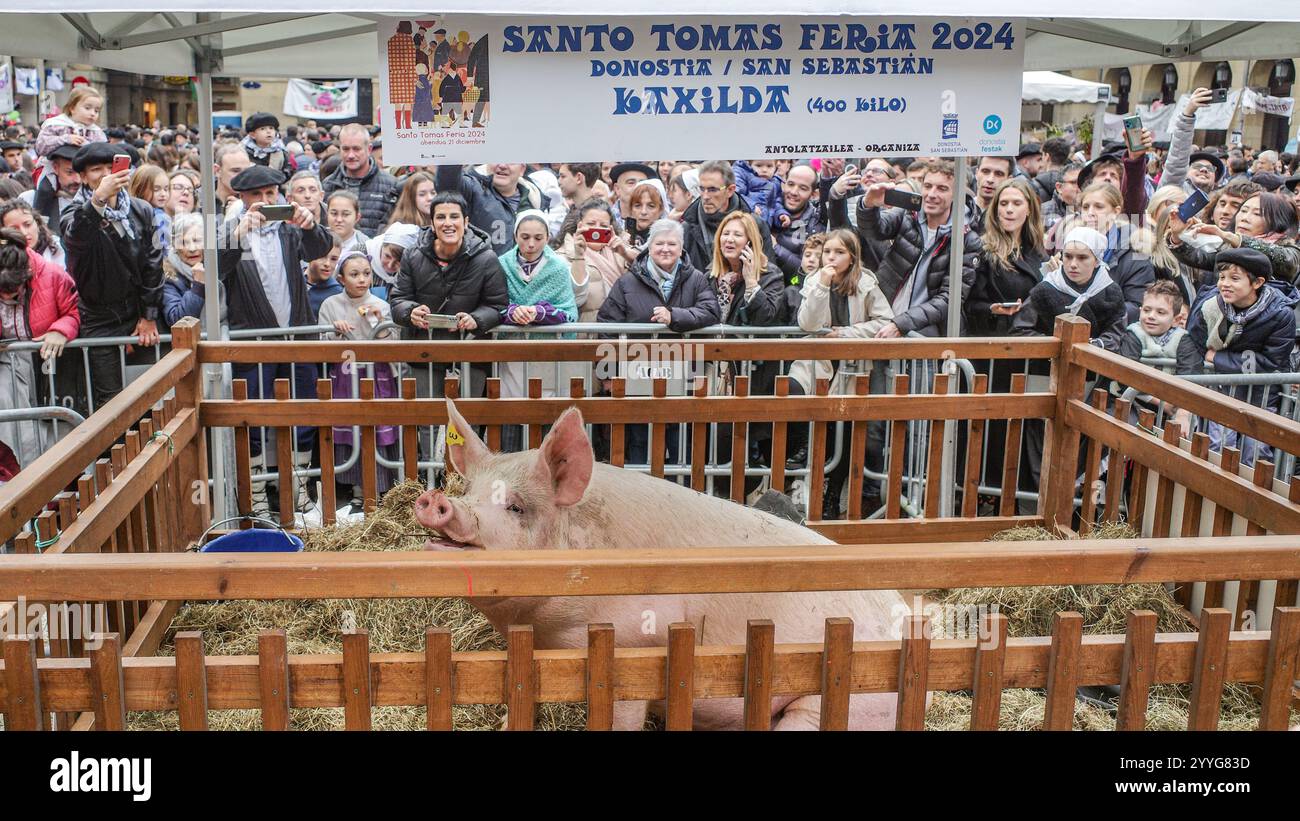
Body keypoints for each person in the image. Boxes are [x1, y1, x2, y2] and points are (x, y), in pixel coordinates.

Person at [218, 164, 333, 517]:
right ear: (241, 198)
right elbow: (217, 266)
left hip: (296, 337)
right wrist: (239, 231)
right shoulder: (227, 230)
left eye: (271, 194)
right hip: (253, 343)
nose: (266, 202)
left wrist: (311, 223)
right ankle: (256, 501)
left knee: (302, 414)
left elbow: (321, 248)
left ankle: (298, 493)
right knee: (252, 418)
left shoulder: (289, 230)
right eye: (258, 196)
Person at [1013, 226, 1127, 513]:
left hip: (1090, 384)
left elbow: (1117, 334)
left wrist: (1092, 347)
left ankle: (1070, 512)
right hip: (1045, 379)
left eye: (1082, 258)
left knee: (1079, 448)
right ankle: (1039, 511)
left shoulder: (1110, 292)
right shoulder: (1044, 290)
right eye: (1068, 256)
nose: (1073, 264)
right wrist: (1058, 347)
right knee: (1041, 447)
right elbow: (1021, 330)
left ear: (1097, 260)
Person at [786, 228, 892, 517]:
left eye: (839, 252)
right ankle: (801, 452)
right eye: (828, 252)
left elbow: (885, 320)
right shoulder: (812, 279)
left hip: (852, 367)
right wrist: (821, 284)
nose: (831, 257)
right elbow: (807, 324)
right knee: (794, 393)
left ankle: (833, 494)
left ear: (852, 256)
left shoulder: (867, 282)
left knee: (843, 431)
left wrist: (847, 334)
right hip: (816, 364)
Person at [60, 142, 164, 413]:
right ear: (83, 176)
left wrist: (148, 315)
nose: (106, 174)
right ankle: (115, 455)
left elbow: (154, 263)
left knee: (152, 393)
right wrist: (98, 201)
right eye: (97, 169)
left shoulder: (142, 209)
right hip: (99, 318)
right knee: (111, 403)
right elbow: (76, 237)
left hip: (139, 314)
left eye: (112, 167)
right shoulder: (74, 212)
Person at [833, 161, 980, 337]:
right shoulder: (908, 214)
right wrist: (868, 205)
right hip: (883, 321)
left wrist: (901, 324)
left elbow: (949, 298)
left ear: (956, 194)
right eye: (927, 186)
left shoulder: (967, 239)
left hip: (926, 335)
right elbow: (874, 231)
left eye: (942, 189)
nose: (932, 194)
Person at [389, 190, 507, 400]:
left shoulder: (486, 258)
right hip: (424, 353)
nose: (448, 223)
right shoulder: (412, 255)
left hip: (470, 355)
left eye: (454, 217)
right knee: (427, 421)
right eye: (441, 217)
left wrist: (476, 319)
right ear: (432, 223)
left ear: (466, 221)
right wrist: (410, 312)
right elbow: (398, 299)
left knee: (466, 422)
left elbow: (498, 305)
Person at [1187, 247, 1299, 465]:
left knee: (1255, 452)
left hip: (1261, 394)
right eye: (1221, 277)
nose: (1224, 284)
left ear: (1257, 283)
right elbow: (1195, 340)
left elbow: (1271, 361)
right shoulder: (1209, 304)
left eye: (1234, 279)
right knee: (1217, 445)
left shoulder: (1280, 314)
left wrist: (1219, 359)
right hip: (1221, 389)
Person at [320, 250, 400, 510]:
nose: (362, 280)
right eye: (354, 274)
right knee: (351, 430)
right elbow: (321, 344)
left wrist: (377, 323)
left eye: (366, 273)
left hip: (377, 375)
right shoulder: (331, 305)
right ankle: (357, 490)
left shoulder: (382, 305)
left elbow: (393, 344)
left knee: (377, 428)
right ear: (341, 278)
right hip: (345, 375)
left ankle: (381, 490)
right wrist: (336, 331)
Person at [0, 227, 80, 468]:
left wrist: (60, 330)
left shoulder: (54, 276)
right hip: (9, 364)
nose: (7, 298)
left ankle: (55, 483)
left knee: (56, 424)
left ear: (27, 274)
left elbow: (74, 312)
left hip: (50, 362)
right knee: (14, 424)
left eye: (12, 292)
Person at [1112, 280, 1201, 429]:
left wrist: (1183, 412)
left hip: (1174, 406)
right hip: (1133, 402)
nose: (1151, 316)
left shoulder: (1183, 339)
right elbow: (1126, 372)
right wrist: (1159, 402)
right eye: (1147, 310)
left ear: (1176, 319)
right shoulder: (1134, 333)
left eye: (1161, 312)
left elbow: (1191, 374)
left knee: (1186, 428)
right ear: (1140, 310)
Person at [1170, 191, 1300, 285]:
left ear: (1277, 221)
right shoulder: (1229, 246)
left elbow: (1287, 260)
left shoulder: (1288, 250)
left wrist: (1230, 237)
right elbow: (1198, 258)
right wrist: (1177, 235)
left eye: (1257, 213)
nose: (1245, 218)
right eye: (1243, 210)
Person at [1077, 182, 1156, 322]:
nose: (1090, 213)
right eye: (1085, 207)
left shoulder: (1136, 253)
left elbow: (1137, 306)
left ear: (1115, 211)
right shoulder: (1070, 246)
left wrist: (1092, 312)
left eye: (1099, 207)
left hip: (1114, 335)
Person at [434, 162, 551, 254]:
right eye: (496, 157)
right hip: (482, 278)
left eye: (511, 161)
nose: (502, 165)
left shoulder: (535, 199)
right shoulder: (472, 189)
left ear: (522, 169)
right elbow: (447, 183)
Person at [681, 160, 773, 273]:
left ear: (730, 190)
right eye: (701, 189)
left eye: (712, 189)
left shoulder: (755, 225)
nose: (705, 196)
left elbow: (768, 272)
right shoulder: (687, 228)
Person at [322, 123, 400, 237]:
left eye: (356, 149)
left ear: (369, 149)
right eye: (346, 149)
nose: (351, 155)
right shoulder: (328, 184)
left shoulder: (391, 185)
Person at [555, 198, 625, 322]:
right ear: (580, 225)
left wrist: (625, 252)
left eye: (603, 226)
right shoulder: (561, 257)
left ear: (610, 228)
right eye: (591, 224)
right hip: (586, 334)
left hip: (618, 334)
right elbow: (575, 298)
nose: (597, 230)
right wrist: (579, 255)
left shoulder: (620, 252)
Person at [161, 212, 224, 330]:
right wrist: (198, 286)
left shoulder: (218, 266)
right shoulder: (168, 276)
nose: (192, 248)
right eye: (183, 243)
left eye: (196, 240)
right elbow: (177, 320)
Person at [770, 163, 826, 284]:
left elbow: (806, 273)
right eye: (790, 184)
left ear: (813, 195)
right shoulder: (765, 210)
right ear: (783, 184)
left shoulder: (815, 225)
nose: (794, 192)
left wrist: (776, 248)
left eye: (803, 188)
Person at [34, 87, 107, 179]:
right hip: (53, 171)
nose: (93, 113)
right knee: (45, 190)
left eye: (96, 110)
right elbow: (40, 147)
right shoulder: (56, 124)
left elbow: (104, 155)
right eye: (87, 108)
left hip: (85, 173)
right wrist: (66, 139)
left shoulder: (97, 132)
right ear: (72, 108)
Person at [23, 143, 81, 239]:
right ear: (55, 168)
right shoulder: (29, 199)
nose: (77, 180)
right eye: (70, 172)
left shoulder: (95, 200)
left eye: (80, 172)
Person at [1, 199, 65, 268]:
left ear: (37, 223)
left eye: (27, 224)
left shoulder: (57, 246)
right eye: (14, 229)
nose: (24, 233)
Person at [733, 159, 789, 228]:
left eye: (769, 166)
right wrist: (751, 207)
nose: (764, 170)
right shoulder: (744, 175)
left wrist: (780, 214)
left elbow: (776, 203)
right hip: (746, 223)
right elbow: (737, 194)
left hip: (766, 227)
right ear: (750, 165)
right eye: (759, 165)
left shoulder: (776, 183)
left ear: (775, 167)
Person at [128, 164, 170, 251]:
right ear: (140, 189)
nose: (163, 194)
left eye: (166, 189)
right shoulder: (159, 217)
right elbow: (164, 249)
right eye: (156, 189)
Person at [972, 156, 1015, 233]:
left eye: (999, 174)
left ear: (1009, 179)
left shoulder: (1012, 217)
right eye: (985, 171)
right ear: (976, 173)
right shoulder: (960, 210)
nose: (990, 179)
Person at [305, 238, 344, 320]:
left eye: (333, 259)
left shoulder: (337, 293)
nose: (327, 264)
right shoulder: (292, 281)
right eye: (322, 256)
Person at [624, 177, 669, 248]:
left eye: (651, 206)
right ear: (631, 208)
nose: (643, 212)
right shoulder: (621, 236)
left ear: (661, 209)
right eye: (637, 206)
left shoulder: (669, 240)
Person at [213, 143, 253, 219]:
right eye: (235, 171)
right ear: (217, 171)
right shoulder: (201, 201)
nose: (243, 176)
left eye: (246, 171)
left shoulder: (256, 201)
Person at [325, 189, 368, 256]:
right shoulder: (316, 239)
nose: (339, 219)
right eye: (334, 213)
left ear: (357, 217)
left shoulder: (366, 246)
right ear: (327, 214)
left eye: (346, 214)